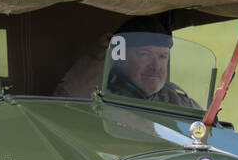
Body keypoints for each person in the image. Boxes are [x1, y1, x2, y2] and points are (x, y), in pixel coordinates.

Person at [54, 16, 202, 110]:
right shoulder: (99, 96)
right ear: (120, 57)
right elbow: (67, 106)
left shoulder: (175, 101)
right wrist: (101, 55)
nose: (155, 66)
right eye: (144, 54)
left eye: (162, 56)